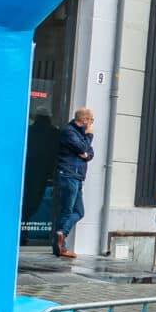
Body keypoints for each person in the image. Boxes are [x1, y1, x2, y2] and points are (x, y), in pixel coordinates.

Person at [53, 107, 94, 258]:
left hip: (77, 176)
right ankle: (60, 245)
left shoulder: (79, 134)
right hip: (68, 175)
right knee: (67, 210)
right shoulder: (69, 132)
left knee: (79, 212)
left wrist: (86, 152)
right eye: (91, 121)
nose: (91, 124)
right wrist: (89, 138)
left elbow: (89, 153)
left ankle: (61, 235)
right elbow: (84, 147)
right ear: (84, 120)